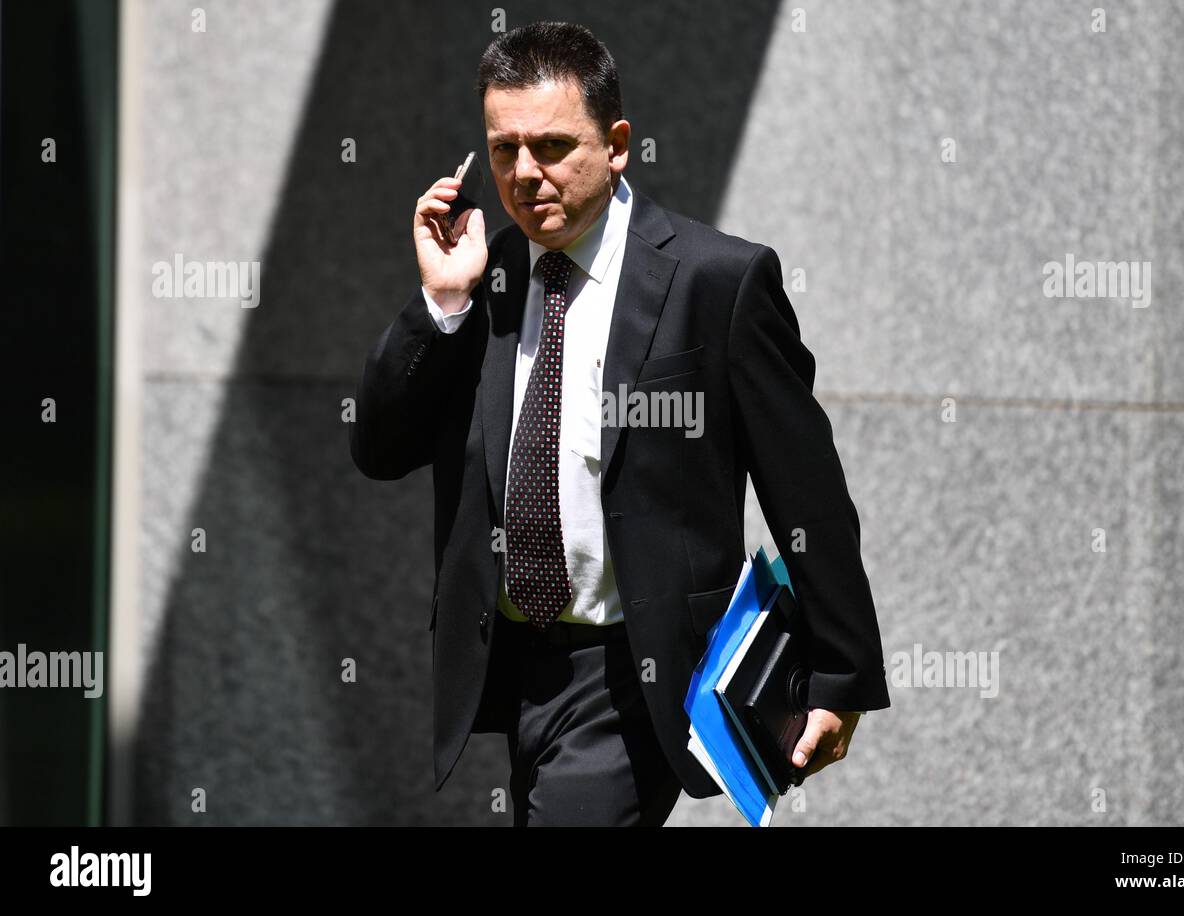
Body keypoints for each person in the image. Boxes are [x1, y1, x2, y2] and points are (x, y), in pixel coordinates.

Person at [350, 20, 890, 826]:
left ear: (618, 145)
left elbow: (806, 487)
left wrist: (840, 674)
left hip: (634, 670)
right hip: (511, 664)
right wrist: (442, 303)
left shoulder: (718, 282)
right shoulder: (485, 280)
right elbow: (379, 447)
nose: (526, 173)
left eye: (554, 145)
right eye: (504, 150)